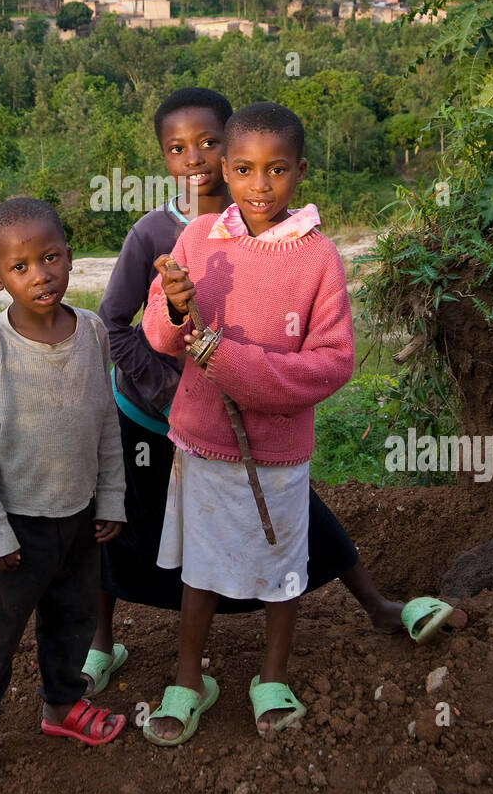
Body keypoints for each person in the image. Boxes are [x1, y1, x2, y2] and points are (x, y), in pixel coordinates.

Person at [84, 86, 453, 701]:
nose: (196, 158)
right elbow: (123, 325)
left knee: (290, 518)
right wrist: (172, 385)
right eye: (180, 149)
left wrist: (227, 366)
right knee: (123, 523)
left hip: (256, 423)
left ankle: (368, 610)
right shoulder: (162, 233)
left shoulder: (291, 243)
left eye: (208, 143)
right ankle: (102, 643)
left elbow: (323, 358)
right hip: (159, 415)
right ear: (168, 159)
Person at [140, 100, 355, 742]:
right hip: (205, 442)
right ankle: (188, 678)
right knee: (201, 567)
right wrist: (176, 309)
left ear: (301, 172)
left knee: (281, 565)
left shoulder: (319, 259)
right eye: (244, 169)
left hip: (280, 451)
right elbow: (157, 336)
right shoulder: (195, 242)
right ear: (224, 172)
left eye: (277, 170)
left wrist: (229, 361)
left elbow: (331, 364)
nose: (260, 186)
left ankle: (273, 675)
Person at [0, 197, 127, 789]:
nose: (40, 274)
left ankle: (62, 706)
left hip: (79, 519)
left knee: (71, 619)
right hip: (16, 528)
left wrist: (112, 498)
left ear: (69, 256)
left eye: (50, 257)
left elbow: (106, 422)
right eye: (20, 267)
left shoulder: (93, 331)